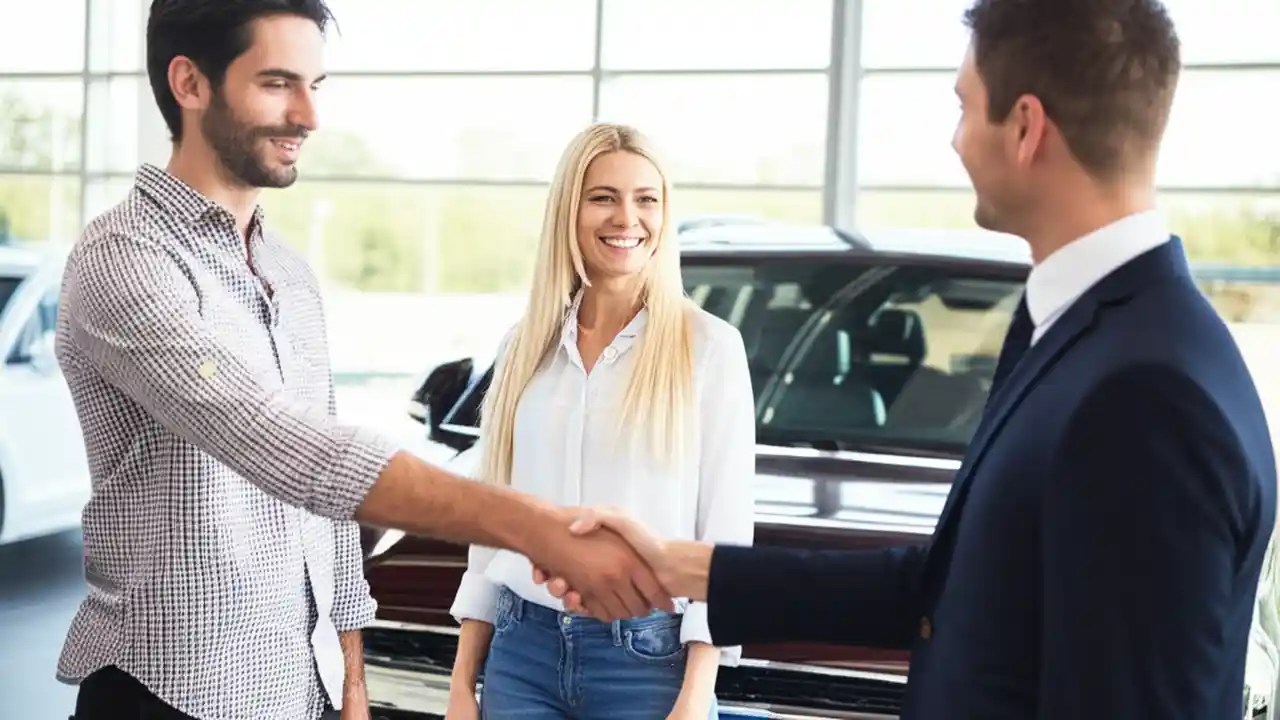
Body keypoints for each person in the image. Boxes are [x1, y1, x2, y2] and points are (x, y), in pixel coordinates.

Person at [540, 1, 1278, 718]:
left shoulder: (1146, 398)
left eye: (964, 106)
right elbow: (957, 586)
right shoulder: (1091, 333)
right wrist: (687, 568)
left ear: (1025, 127)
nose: (955, 140)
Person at [56, 3, 666, 719]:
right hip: (170, 691)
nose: (309, 115)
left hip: (297, 688)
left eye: (317, 83)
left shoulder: (287, 274)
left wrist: (349, 678)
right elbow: (281, 442)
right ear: (190, 83)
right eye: (278, 83)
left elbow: (326, 511)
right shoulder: (125, 260)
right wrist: (535, 528)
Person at [444, 123, 755, 720]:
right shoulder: (525, 346)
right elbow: (495, 522)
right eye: (603, 197)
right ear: (570, 210)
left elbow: (725, 531)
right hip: (521, 653)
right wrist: (464, 681)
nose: (627, 219)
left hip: (646, 662)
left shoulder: (710, 347)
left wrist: (698, 693)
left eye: (646, 199)